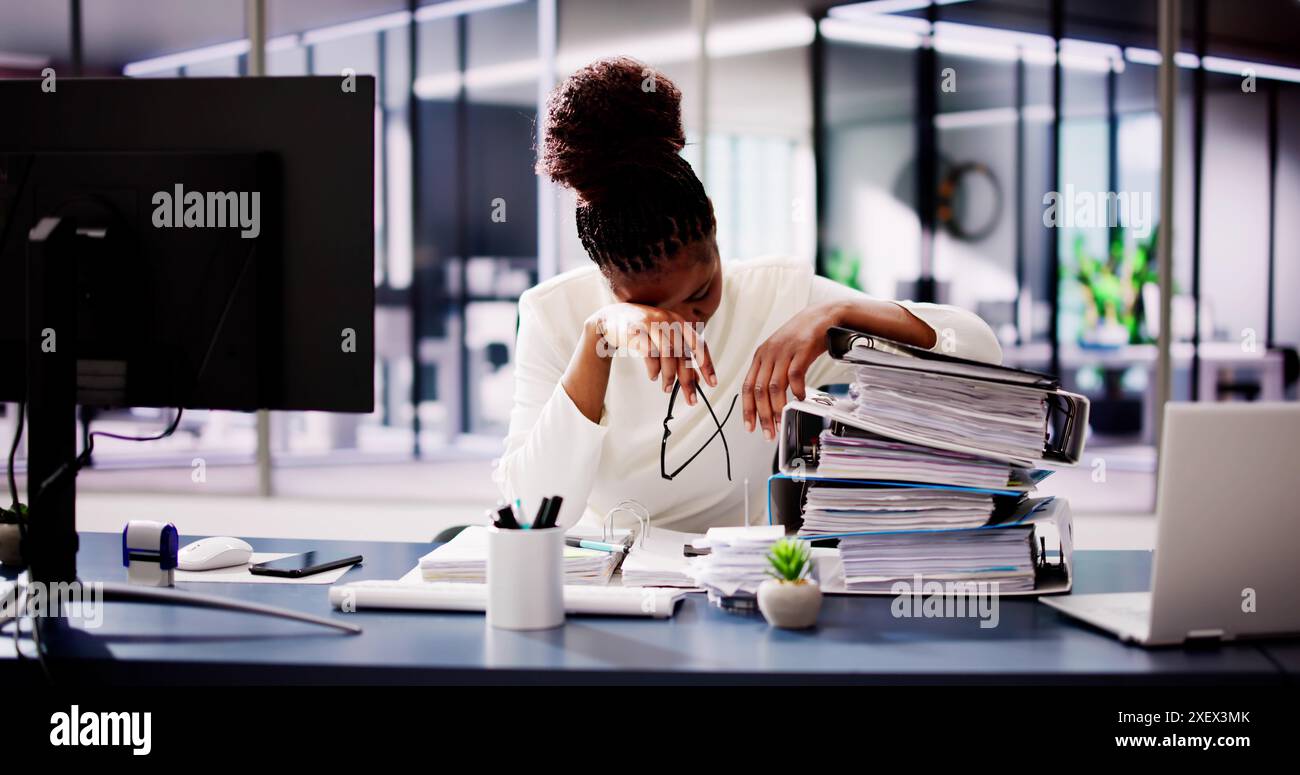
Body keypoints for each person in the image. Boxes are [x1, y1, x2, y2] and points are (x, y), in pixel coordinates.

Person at [493, 57, 1001, 533]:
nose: (684, 325)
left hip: (737, 580)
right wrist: (599, 339)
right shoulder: (554, 314)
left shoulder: (777, 298)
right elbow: (533, 514)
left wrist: (838, 313)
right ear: (606, 277)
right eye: (649, 306)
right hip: (613, 585)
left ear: (713, 221)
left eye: (701, 294)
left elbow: (981, 351)